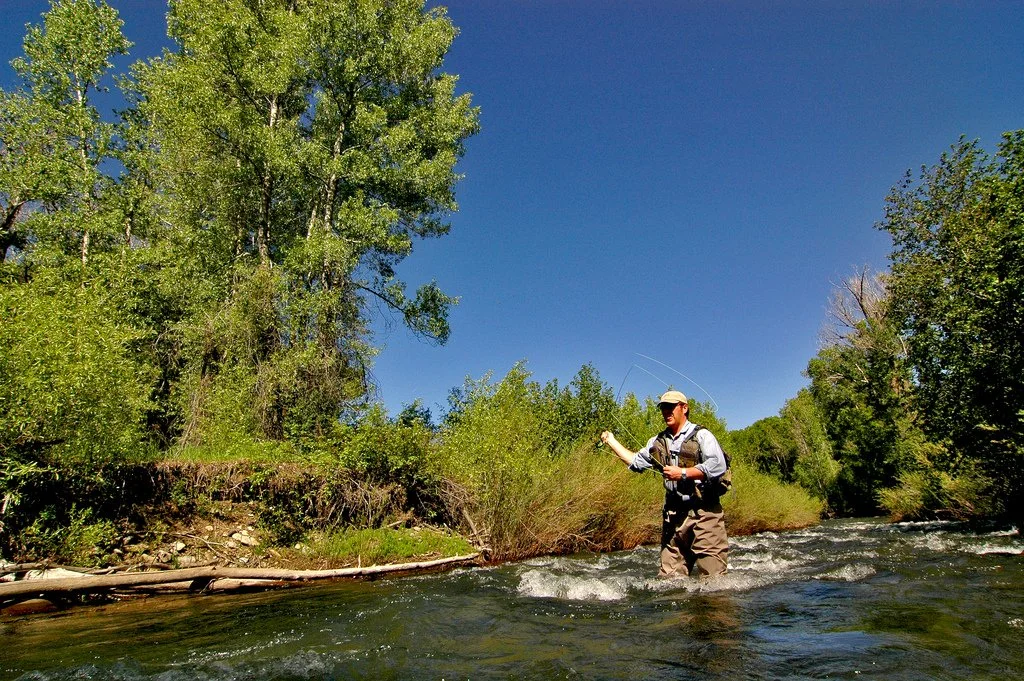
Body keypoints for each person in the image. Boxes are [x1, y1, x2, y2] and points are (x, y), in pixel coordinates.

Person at [600, 390, 728, 578]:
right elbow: (635, 462)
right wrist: (611, 441)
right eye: (663, 408)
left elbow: (717, 466)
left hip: (704, 512)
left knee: (713, 579)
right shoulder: (657, 441)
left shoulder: (703, 435)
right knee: (669, 581)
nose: (666, 411)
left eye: (671, 407)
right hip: (674, 516)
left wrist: (683, 473)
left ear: (684, 408)